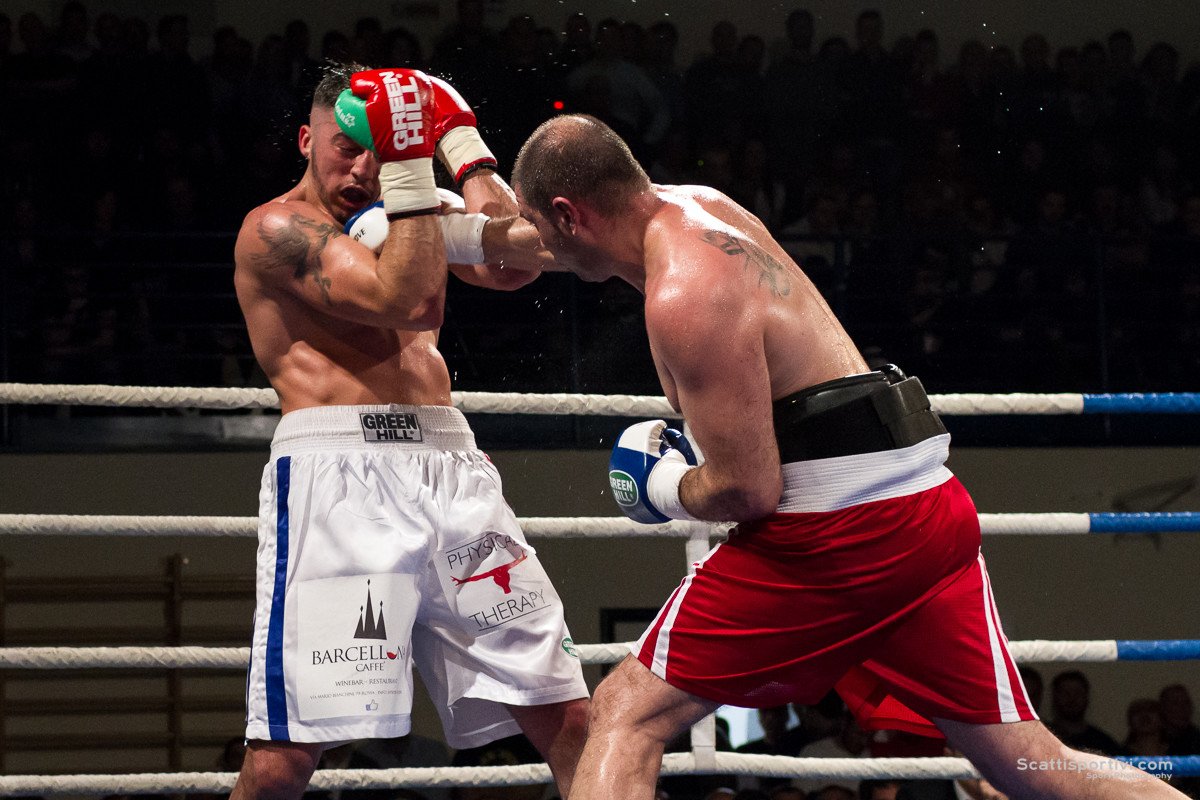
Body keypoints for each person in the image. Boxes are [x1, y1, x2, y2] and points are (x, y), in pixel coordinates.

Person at [509, 113, 1188, 800]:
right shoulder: (704, 208)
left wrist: (663, 488)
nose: (539, 245)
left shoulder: (685, 296)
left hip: (835, 534)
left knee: (626, 715)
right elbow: (546, 248)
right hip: (923, 506)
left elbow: (748, 490)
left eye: (541, 226)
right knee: (1035, 766)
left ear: (570, 214)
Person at [230, 64, 588, 799]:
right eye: (344, 148)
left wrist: (462, 145)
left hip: (451, 475)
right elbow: (408, 297)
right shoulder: (274, 231)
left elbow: (525, 257)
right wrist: (408, 170)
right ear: (306, 139)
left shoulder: (410, 211)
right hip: (342, 482)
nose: (363, 166)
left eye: (381, 148)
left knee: (571, 719)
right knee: (285, 761)